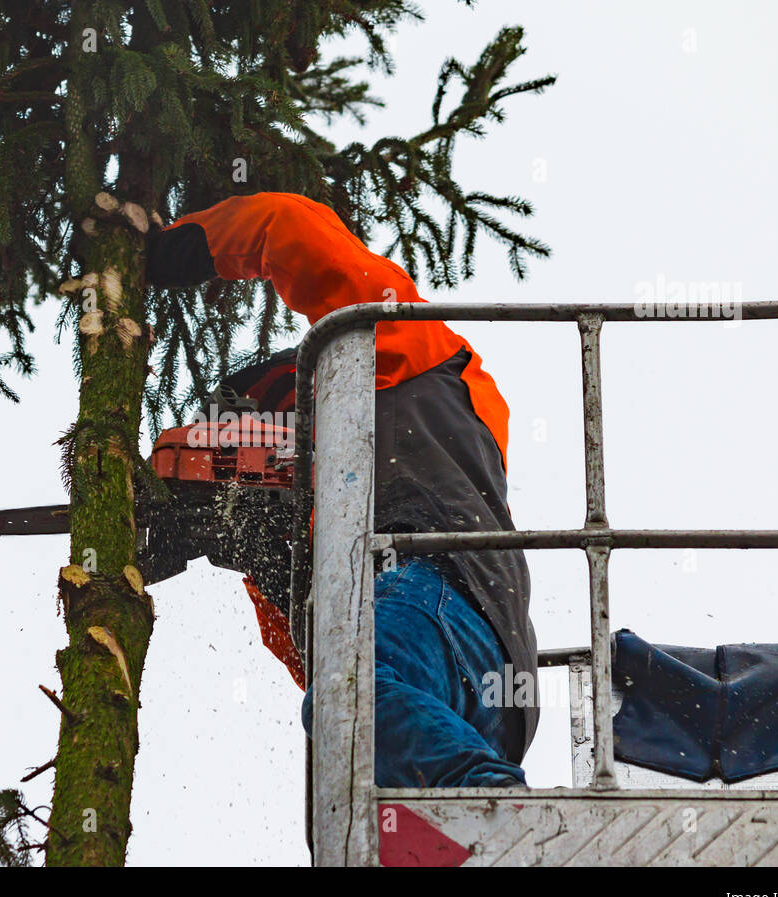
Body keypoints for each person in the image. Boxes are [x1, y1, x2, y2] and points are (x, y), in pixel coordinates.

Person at [145, 191, 538, 787]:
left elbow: (295, 229)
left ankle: (505, 815)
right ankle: (492, 805)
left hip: (436, 590)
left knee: (347, 693)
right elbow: (313, 653)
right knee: (343, 703)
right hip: (485, 700)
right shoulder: (327, 512)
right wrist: (255, 555)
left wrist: (192, 241)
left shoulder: (405, 352)